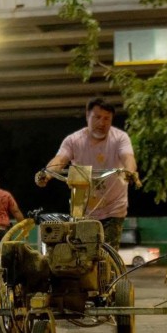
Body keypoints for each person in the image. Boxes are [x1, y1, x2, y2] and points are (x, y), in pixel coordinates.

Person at [35, 97, 139, 250]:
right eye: (97, 117)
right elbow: (60, 159)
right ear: (87, 116)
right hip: (82, 209)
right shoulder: (74, 141)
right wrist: (47, 174)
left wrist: (130, 172)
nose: (102, 123)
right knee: (82, 253)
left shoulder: (120, 138)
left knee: (108, 254)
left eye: (107, 119)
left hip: (114, 208)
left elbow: (128, 157)